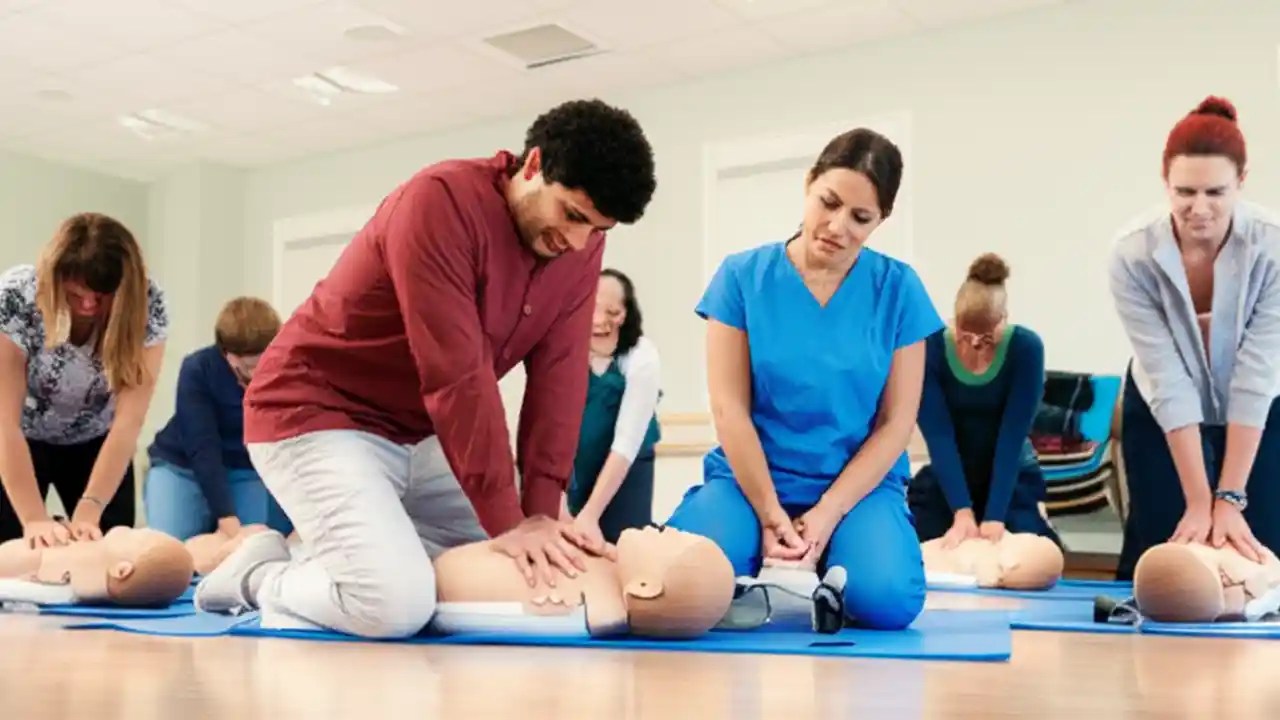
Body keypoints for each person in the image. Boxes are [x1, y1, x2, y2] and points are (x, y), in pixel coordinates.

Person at [193, 98, 657, 639]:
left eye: (598, 230)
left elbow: (559, 376)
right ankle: (259, 576)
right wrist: (511, 522)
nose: (578, 242)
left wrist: (542, 514)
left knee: (507, 567)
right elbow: (457, 374)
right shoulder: (438, 202)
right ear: (532, 166)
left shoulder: (580, 249)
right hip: (314, 413)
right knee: (395, 605)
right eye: (572, 215)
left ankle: (335, 554)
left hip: (421, 433)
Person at [663, 127, 942, 631]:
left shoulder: (899, 289)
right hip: (749, 482)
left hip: (856, 487)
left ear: (883, 220)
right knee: (677, 582)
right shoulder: (741, 277)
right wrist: (771, 513)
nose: (837, 226)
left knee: (888, 601)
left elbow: (897, 424)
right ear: (808, 183)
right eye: (828, 202)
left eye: (860, 218)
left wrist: (828, 513)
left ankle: (817, 555)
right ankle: (759, 554)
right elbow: (730, 409)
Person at [1109, 95, 1280, 581]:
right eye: (1184, 191)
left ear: (1241, 184)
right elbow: (1169, 380)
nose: (1198, 208)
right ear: (1165, 182)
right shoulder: (1133, 254)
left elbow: (1256, 375)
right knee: (1170, 548)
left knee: (1256, 545)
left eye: (1215, 192)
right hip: (1162, 406)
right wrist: (1200, 501)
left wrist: (1227, 499)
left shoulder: (1272, 246)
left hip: (1260, 405)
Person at [0, 212, 168, 546]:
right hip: (23, 437)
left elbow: (128, 423)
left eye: (103, 297)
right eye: (77, 295)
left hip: (97, 441)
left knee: (107, 549)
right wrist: (34, 519)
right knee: (13, 548)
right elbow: (5, 423)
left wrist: (90, 510)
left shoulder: (149, 305)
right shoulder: (16, 296)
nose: (89, 305)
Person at [908, 254, 1060, 549]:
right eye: (966, 336)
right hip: (950, 475)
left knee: (1029, 553)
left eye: (987, 337)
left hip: (1010, 476)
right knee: (921, 546)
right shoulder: (931, 347)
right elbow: (939, 435)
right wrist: (962, 512)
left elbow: (1012, 436)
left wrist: (994, 516)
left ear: (1005, 318)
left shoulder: (1026, 348)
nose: (976, 345)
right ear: (953, 319)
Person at [143, 296, 292, 541]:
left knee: (254, 546)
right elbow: (202, 446)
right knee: (168, 549)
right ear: (228, 355)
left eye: (266, 359)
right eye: (250, 364)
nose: (260, 370)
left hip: (246, 469)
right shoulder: (198, 368)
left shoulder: (288, 369)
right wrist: (227, 519)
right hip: (183, 467)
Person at [563, 268, 662, 546]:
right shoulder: (562, 350)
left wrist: (590, 515)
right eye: (591, 308)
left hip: (626, 468)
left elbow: (626, 442)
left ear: (626, 314)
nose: (599, 321)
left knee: (623, 546)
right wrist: (559, 505)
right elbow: (545, 429)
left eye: (612, 312)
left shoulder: (642, 355)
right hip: (571, 467)